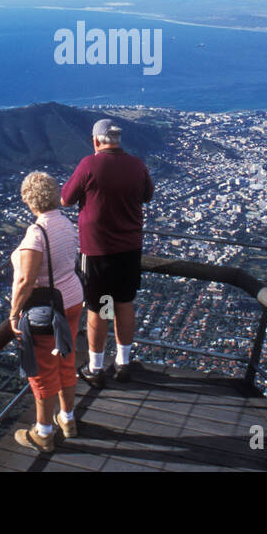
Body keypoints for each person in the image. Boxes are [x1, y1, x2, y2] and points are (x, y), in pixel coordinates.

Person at [61, 118, 153, 386]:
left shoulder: (89, 164)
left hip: (97, 250)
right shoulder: (137, 164)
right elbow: (147, 195)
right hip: (130, 249)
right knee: (124, 303)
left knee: (99, 308)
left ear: (96, 141)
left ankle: (96, 367)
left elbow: (65, 198)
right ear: (118, 140)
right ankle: (123, 362)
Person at [9, 171, 84, 454]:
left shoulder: (35, 233)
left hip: (47, 312)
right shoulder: (66, 224)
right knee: (66, 358)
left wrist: (13, 314)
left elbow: (27, 281)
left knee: (42, 370)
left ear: (29, 200)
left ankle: (43, 432)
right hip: (73, 300)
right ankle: (68, 419)